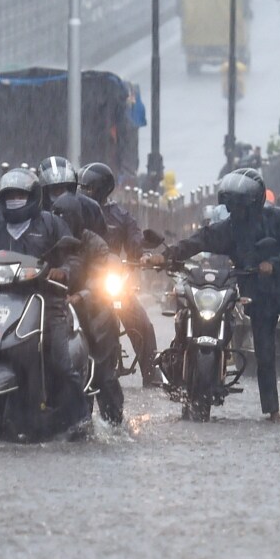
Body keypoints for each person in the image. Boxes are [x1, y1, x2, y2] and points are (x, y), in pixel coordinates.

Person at [164, 170, 280, 419]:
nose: (235, 211)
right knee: (264, 355)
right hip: (258, 297)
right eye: (230, 205)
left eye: (239, 205)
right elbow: (199, 241)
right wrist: (168, 254)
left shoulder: (277, 218)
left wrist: (273, 264)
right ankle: (273, 412)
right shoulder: (229, 228)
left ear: (254, 203)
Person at [0, 168, 89, 417]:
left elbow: (74, 258)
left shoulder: (51, 224)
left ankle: (80, 418)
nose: (14, 200)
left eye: (20, 195)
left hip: (45, 300)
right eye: (9, 196)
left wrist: (63, 271)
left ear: (34, 196)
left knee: (60, 361)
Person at [38, 157, 123, 424]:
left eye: (68, 219)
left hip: (92, 310)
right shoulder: (41, 230)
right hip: (52, 304)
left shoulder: (93, 240)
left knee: (105, 375)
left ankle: (114, 421)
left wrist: (82, 296)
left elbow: (103, 270)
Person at [82, 161, 164, 388]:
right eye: (82, 188)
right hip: (84, 281)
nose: (84, 192)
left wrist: (145, 254)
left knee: (143, 323)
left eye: (88, 188)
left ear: (101, 188)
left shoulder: (120, 216)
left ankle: (152, 372)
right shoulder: (78, 211)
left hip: (113, 280)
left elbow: (135, 243)